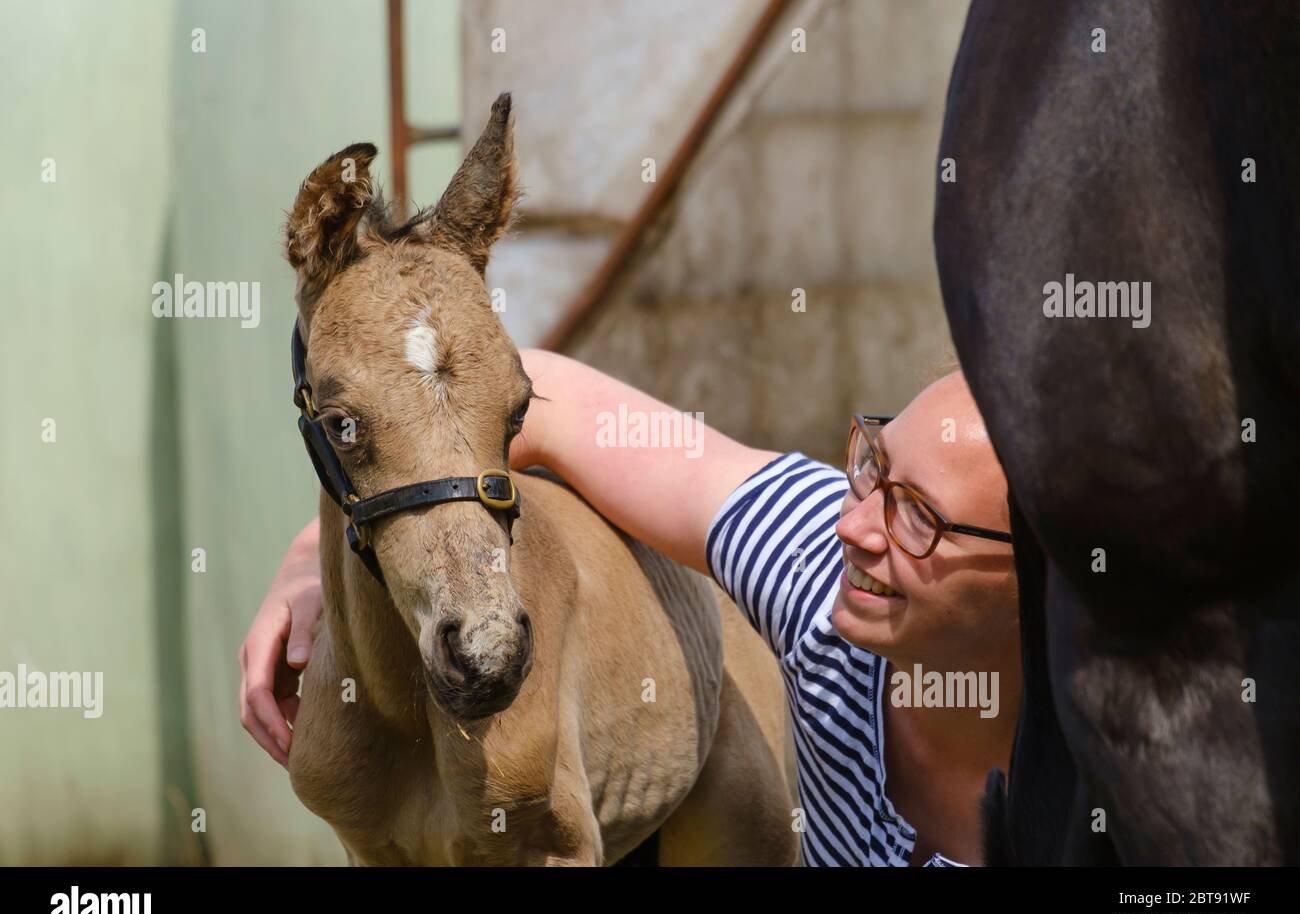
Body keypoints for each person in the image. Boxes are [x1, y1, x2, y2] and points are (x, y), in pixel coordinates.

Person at [239, 349, 1020, 866]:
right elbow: (529, 399)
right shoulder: (816, 565)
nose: (855, 524)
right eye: (873, 465)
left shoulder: (1117, 776)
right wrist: (320, 558)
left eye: (917, 514)